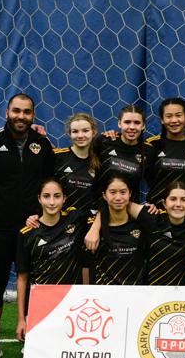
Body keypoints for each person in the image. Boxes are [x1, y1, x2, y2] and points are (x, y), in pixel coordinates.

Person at [0, 92, 55, 358]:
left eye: (27, 112)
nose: (21, 116)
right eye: (16, 111)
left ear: (33, 115)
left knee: (36, 284)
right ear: (7, 112)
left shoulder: (42, 144)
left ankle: (32, 337)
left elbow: (50, 185)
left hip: (33, 230)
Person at [15, 178, 89, 342]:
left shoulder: (75, 218)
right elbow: (22, 278)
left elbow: (102, 212)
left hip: (72, 304)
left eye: (57, 196)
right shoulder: (27, 233)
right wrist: (21, 319)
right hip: (40, 305)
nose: (52, 202)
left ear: (64, 199)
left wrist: (95, 229)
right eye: (46, 196)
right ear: (39, 199)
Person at [86, 181, 185, 286]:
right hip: (151, 293)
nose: (178, 204)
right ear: (164, 203)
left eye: (184, 200)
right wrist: (95, 227)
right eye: (173, 199)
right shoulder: (152, 218)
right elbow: (118, 202)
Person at [53, 113, 100, 283]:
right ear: (69, 134)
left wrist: (95, 227)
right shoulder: (58, 157)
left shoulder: (101, 160)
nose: (80, 135)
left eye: (85, 130)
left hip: (90, 227)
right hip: (63, 227)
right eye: (75, 131)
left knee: (88, 273)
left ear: (94, 132)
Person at [144, 98, 185, 208]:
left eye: (178, 115)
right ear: (162, 119)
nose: (174, 120)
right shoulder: (151, 145)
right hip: (155, 212)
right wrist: (113, 137)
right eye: (169, 116)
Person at [89, 174, 147, 285]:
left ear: (130, 194)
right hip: (103, 296)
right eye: (112, 192)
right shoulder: (93, 228)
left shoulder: (141, 225)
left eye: (123, 192)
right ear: (104, 195)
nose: (118, 197)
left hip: (136, 295)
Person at [96, 105, 149, 202]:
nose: (132, 127)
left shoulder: (148, 151)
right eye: (127, 122)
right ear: (119, 123)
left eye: (137, 123)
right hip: (102, 206)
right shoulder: (104, 141)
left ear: (143, 125)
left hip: (130, 208)